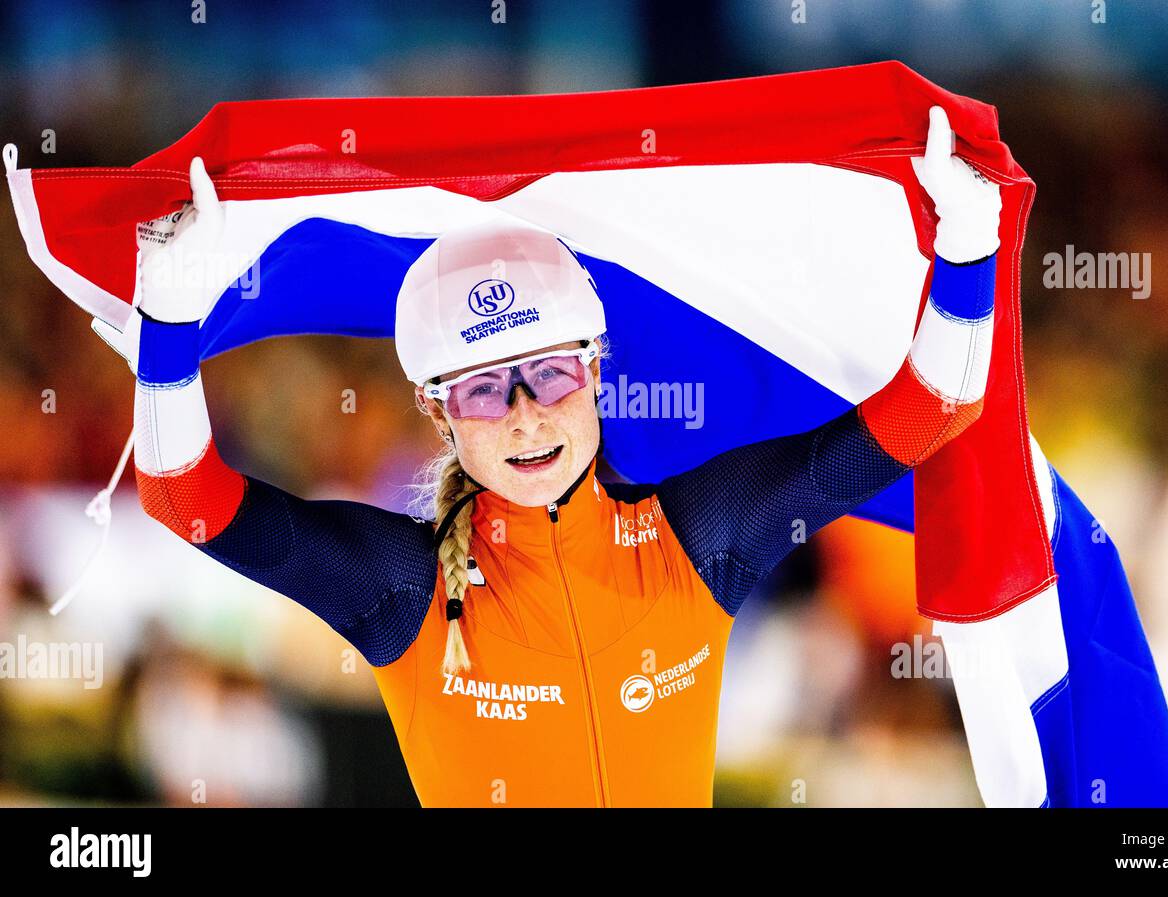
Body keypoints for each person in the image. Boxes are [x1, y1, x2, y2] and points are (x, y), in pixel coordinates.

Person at [122, 106, 1001, 807]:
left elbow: (937, 407)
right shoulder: (407, 592)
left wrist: (968, 241)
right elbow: (181, 497)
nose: (523, 416)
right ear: (438, 413)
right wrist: (166, 313)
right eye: (480, 390)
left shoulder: (703, 537)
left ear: (594, 371)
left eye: (548, 374)